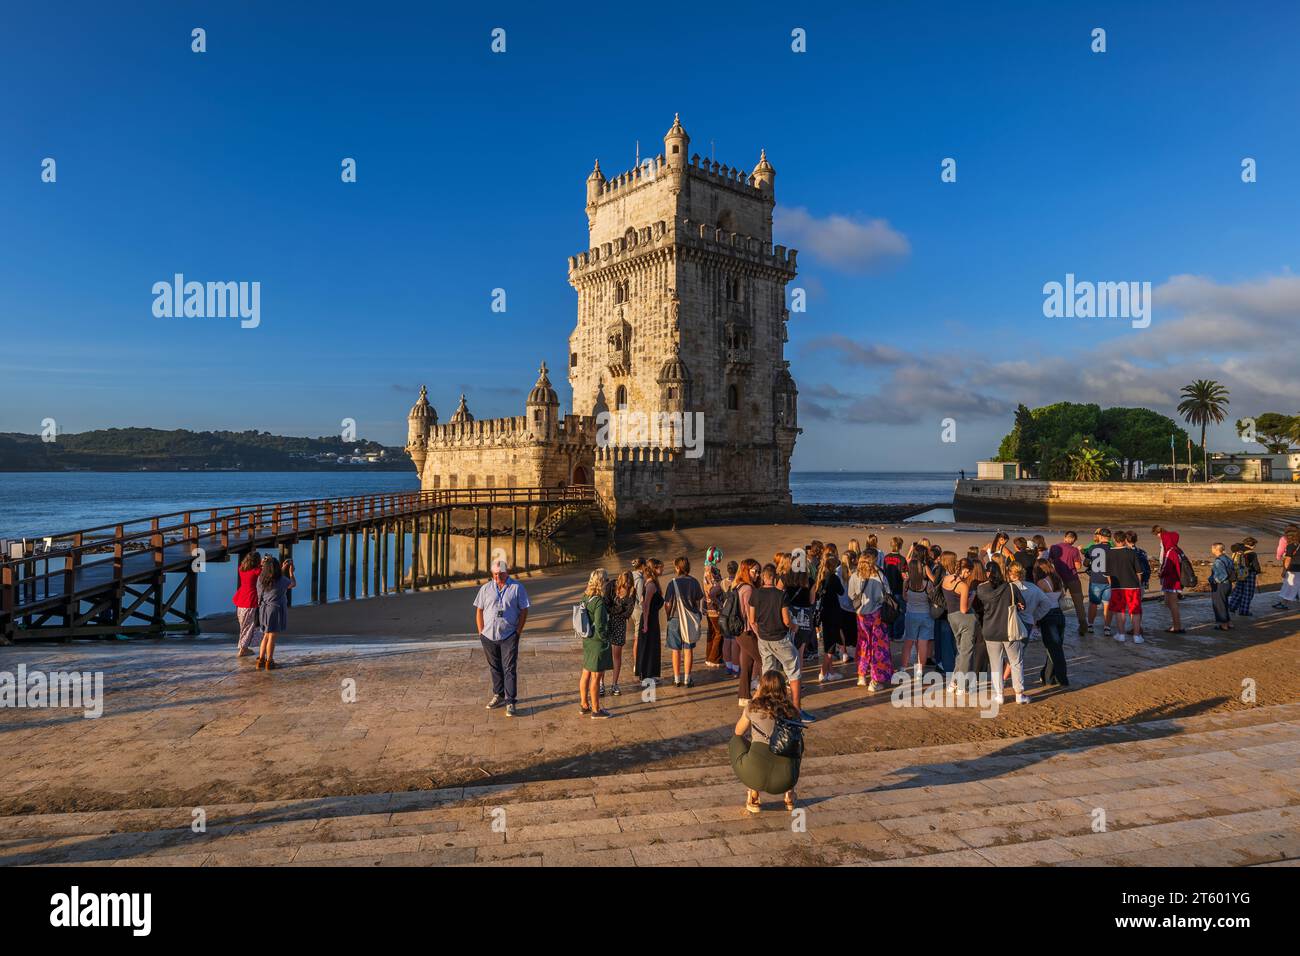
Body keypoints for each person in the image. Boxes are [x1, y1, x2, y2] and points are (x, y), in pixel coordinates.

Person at [730, 671, 802, 814]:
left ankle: (754, 796)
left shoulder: (753, 707)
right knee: (796, 745)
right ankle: (789, 795)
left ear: (762, 687)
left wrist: (755, 697)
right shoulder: (793, 712)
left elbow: (738, 732)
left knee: (736, 741)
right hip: (786, 779)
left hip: (754, 776)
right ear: (783, 688)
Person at [748, 563, 812, 720]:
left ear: (763, 577)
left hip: (763, 638)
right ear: (774, 577)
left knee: (768, 672)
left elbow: (751, 619)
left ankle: (765, 706)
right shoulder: (781, 595)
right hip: (780, 638)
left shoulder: (755, 594)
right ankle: (796, 710)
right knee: (794, 671)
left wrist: (759, 633)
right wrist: (794, 626)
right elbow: (785, 620)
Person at [473, 556, 530, 717]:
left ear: (507, 572)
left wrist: (518, 631)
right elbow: (479, 610)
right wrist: (481, 632)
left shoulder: (517, 588)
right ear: (492, 574)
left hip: (509, 635)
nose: (498, 577)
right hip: (488, 636)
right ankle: (498, 694)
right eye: (495, 574)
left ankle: (510, 701)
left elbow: (524, 609)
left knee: (509, 668)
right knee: (495, 667)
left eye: (501, 574)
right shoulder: (485, 589)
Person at [976, 562, 1030, 705]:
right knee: (1016, 662)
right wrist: (1016, 606)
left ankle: (999, 695)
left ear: (987, 573)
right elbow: (1023, 606)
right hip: (1009, 630)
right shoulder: (1011, 587)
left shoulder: (981, 589)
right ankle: (1019, 694)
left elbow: (980, 607)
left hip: (990, 630)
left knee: (995, 664)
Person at [848, 551, 891, 691]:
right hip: (876, 614)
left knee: (863, 644)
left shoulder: (854, 575)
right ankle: (875, 680)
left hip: (860, 614)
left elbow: (851, 595)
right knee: (878, 647)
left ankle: (861, 675)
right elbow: (885, 595)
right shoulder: (879, 576)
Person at [664, 556, 705, 687]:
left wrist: (668, 616)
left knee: (675, 650)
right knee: (688, 649)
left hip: (675, 619)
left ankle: (676, 679)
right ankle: (687, 678)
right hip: (690, 620)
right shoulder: (694, 582)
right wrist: (697, 614)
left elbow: (667, 603)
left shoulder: (672, 583)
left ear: (677, 568)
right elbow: (698, 601)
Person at [578, 570, 613, 718]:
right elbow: (600, 624)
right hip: (598, 642)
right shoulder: (598, 601)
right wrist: (606, 637)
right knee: (596, 677)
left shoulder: (585, 596)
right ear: (602, 582)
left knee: (586, 673)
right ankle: (596, 710)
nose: (607, 583)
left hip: (588, 640)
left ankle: (584, 704)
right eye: (607, 580)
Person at [943, 557, 978, 695]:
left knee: (960, 650)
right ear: (965, 570)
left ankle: (953, 683)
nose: (969, 575)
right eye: (969, 572)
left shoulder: (947, 579)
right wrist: (972, 596)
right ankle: (961, 686)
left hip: (951, 617)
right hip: (964, 618)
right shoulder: (963, 586)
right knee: (966, 652)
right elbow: (964, 609)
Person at [1032, 558, 1069, 686]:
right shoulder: (1057, 579)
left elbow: (1038, 602)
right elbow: (1063, 595)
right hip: (1059, 614)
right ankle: (1047, 676)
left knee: (1054, 649)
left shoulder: (1041, 582)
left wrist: (1034, 619)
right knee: (1055, 648)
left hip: (1048, 616)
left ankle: (1061, 678)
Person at [255, 554, 295, 670]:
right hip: (275, 610)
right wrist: (291, 572)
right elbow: (292, 584)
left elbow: (272, 578)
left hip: (263, 609)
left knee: (266, 636)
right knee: (272, 637)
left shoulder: (261, 579)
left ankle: (261, 660)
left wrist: (282, 570)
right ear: (277, 568)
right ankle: (270, 661)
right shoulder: (281, 580)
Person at [731, 559, 762, 706]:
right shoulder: (748, 589)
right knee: (764, 660)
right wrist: (759, 634)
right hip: (747, 631)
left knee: (747, 664)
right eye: (754, 571)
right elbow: (751, 617)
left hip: (739, 631)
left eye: (758, 571)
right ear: (746, 571)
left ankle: (743, 696)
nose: (757, 574)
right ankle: (765, 694)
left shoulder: (737, 586)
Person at [1106, 531, 1144, 643]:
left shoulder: (1108, 553)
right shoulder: (1132, 552)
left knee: (1119, 611)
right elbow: (1139, 572)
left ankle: (1121, 634)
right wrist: (1139, 585)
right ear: (1125, 540)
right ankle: (1137, 636)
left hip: (1117, 586)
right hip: (1133, 586)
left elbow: (1107, 575)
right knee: (1135, 611)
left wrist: (1111, 585)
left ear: (1114, 540)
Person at [812, 553, 845, 683]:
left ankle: (830, 672)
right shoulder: (833, 578)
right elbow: (841, 592)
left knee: (828, 642)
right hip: (834, 613)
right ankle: (823, 671)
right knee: (831, 646)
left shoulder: (819, 577)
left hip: (824, 614)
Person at [899, 559, 934, 679]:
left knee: (908, 642)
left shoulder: (907, 583)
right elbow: (931, 598)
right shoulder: (927, 584)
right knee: (923, 643)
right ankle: (919, 671)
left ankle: (903, 668)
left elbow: (905, 598)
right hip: (925, 615)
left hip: (911, 615)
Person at [605, 570, 637, 696]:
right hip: (607, 622)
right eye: (624, 584)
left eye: (628, 584)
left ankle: (614, 684)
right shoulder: (611, 586)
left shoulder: (632, 592)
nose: (626, 587)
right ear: (620, 581)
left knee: (616, 656)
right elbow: (606, 605)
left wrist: (616, 610)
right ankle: (601, 684)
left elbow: (628, 613)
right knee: (605, 654)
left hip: (620, 625)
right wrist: (619, 609)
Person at [1049, 532, 1087, 633]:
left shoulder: (1054, 547)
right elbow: (1078, 566)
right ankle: (1083, 624)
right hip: (1072, 578)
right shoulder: (1074, 550)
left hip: (1059, 578)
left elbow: (1050, 561)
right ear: (1073, 539)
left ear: (1065, 537)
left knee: (1056, 601)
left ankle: (1055, 622)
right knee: (1078, 602)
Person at [635, 559, 664, 683]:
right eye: (660, 568)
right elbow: (645, 605)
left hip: (651, 618)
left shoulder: (651, 583)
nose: (662, 570)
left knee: (650, 646)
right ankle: (647, 675)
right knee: (650, 647)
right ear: (654, 569)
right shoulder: (651, 584)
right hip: (649, 619)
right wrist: (646, 623)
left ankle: (648, 674)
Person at [1155, 527, 1187, 633]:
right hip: (1175, 580)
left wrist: (1160, 573)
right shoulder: (1177, 550)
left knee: (1172, 604)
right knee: (1169, 603)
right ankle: (1176, 625)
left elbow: (1166, 567)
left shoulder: (1170, 551)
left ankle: (1177, 626)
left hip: (1171, 581)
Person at [1082, 528, 1113, 637]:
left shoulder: (1092, 548)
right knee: (1107, 604)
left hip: (1095, 579)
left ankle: (1090, 625)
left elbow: (1085, 563)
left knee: (1093, 604)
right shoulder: (1112, 548)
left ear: (1100, 536)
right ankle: (1107, 627)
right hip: (1109, 580)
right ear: (1109, 537)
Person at [232, 549, 262, 658]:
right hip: (250, 600)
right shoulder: (256, 571)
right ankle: (243, 649)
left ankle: (243, 647)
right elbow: (264, 573)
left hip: (241, 600)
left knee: (243, 626)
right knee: (249, 626)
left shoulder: (241, 569)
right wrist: (264, 564)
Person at [1228, 537, 1261, 616]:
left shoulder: (1237, 550)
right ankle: (1244, 610)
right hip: (1249, 574)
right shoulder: (1252, 553)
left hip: (1239, 573)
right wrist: (1257, 571)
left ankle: (1232, 607)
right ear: (1253, 545)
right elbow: (1256, 567)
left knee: (1238, 591)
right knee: (1247, 593)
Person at [1208, 543, 1234, 631]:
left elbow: (1223, 575)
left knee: (1219, 605)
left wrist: (1214, 580)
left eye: (1212, 548)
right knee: (1224, 603)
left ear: (1216, 549)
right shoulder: (1227, 558)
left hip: (1221, 585)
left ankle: (1223, 625)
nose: (1211, 550)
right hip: (1228, 585)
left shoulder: (1218, 561)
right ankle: (1229, 623)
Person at [721, 559, 741, 675]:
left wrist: (720, 605)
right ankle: (736, 667)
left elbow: (712, 593)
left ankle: (728, 666)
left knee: (726, 640)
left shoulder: (723, 582)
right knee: (735, 642)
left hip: (724, 613)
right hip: (734, 614)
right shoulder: (738, 583)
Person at [703, 566, 725, 667]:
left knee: (711, 632)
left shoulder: (706, 572)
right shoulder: (711, 572)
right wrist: (720, 605)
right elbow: (713, 592)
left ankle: (709, 657)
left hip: (708, 608)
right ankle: (714, 658)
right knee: (719, 633)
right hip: (714, 609)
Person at [1273, 528, 1300, 610]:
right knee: (1297, 587)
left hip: (1293, 569)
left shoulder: (1291, 546)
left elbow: (1288, 559)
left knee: (1290, 586)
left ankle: (1284, 604)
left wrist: (1284, 570)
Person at [629, 557, 646, 668]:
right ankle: (637, 663)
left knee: (636, 637)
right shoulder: (639, 579)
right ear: (643, 566)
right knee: (638, 638)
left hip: (631, 609)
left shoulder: (631, 576)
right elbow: (641, 598)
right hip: (638, 610)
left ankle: (637, 662)